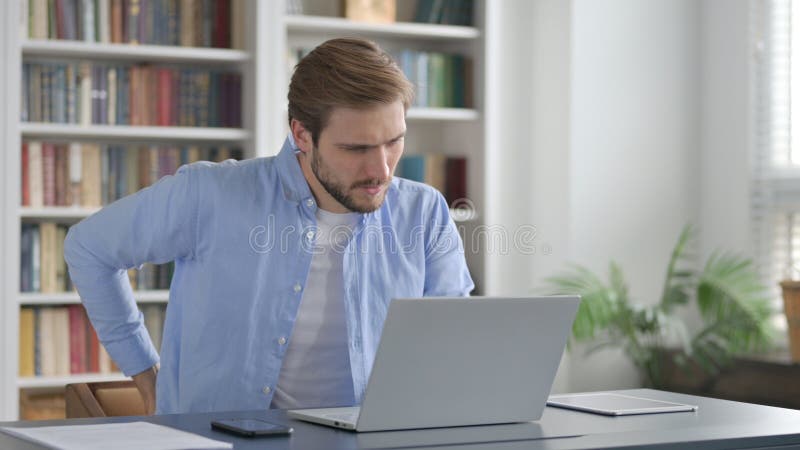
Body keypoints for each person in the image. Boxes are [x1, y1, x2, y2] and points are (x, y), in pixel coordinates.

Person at [64, 38, 474, 415]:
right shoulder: (209, 194)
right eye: (357, 148)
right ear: (302, 134)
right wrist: (147, 377)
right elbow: (89, 248)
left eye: (394, 141)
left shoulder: (424, 211)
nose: (381, 169)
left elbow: (453, 342)